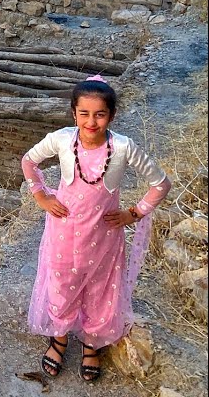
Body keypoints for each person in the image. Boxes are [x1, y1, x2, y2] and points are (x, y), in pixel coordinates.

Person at [22, 76, 171, 382]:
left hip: (103, 236)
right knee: (63, 280)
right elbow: (29, 161)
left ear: (111, 116)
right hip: (63, 232)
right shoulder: (62, 139)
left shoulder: (123, 147)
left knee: (101, 288)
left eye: (100, 114)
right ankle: (60, 337)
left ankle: (92, 343)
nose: (91, 121)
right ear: (73, 113)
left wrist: (134, 212)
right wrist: (41, 195)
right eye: (84, 113)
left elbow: (161, 183)